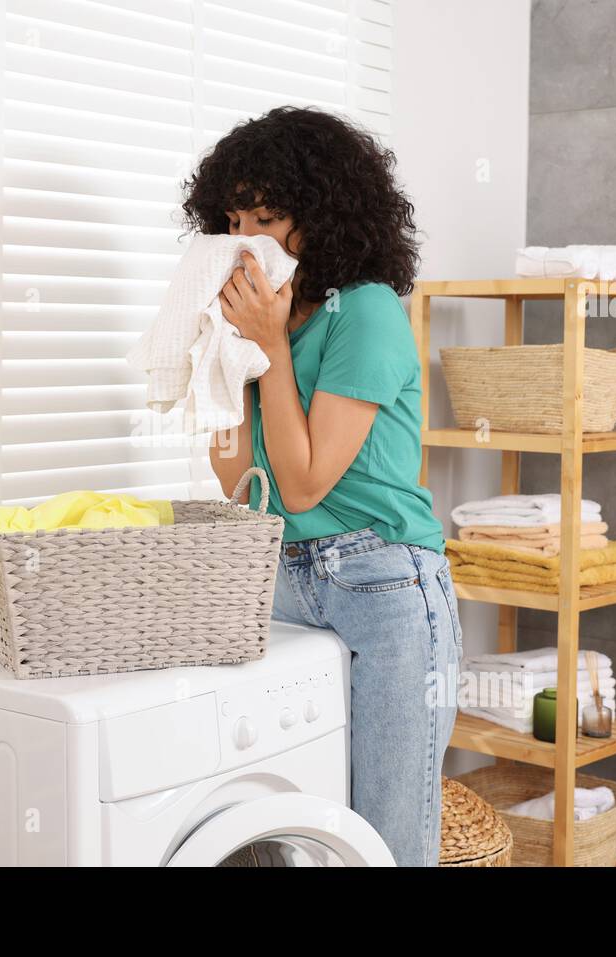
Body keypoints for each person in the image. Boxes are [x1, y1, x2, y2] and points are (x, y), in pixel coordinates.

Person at [185, 106, 463, 866]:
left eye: (269, 217)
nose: (248, 238)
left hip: (383, 585)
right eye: (235, 217)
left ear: (325, 215)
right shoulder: (264, 321)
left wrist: (271, 348)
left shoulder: (365, 311)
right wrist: (226, 354)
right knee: (306, 833)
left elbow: (302, 484)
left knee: (388, 840)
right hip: (281, 580)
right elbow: (241, 486)